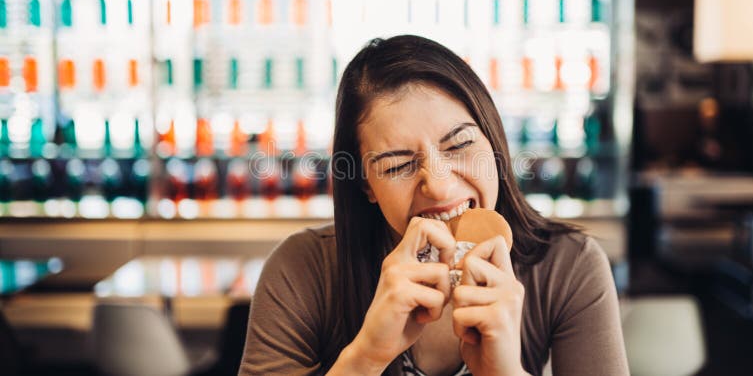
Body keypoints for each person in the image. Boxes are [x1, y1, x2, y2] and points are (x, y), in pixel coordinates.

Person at [239, 35, 629, 376]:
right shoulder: (301, 269)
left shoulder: (569, 266)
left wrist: (504, 372)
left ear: (493, 143)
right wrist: (366, 356)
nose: (440, 188)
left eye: (459, 144)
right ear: (365, 184)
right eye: (398, 165)